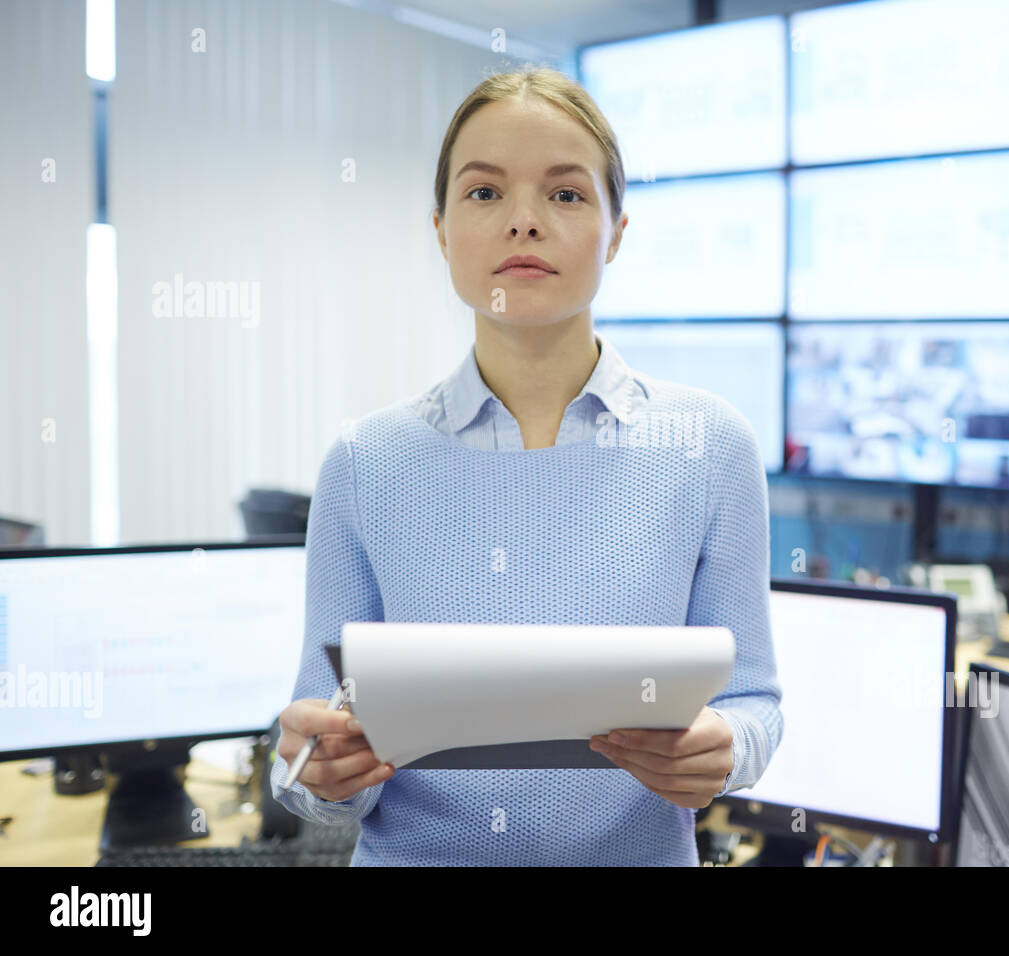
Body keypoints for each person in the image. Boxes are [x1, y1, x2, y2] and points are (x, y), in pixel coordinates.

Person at [271, 66, 782, 866]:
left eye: (567, 194)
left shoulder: (710, 446)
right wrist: (318, 767)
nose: (523, 222)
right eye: (484, 193)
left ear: (616, 230)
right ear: (440, 228)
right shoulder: (364, 462)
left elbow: (753, 703)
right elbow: (315, 753)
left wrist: (727, 749)